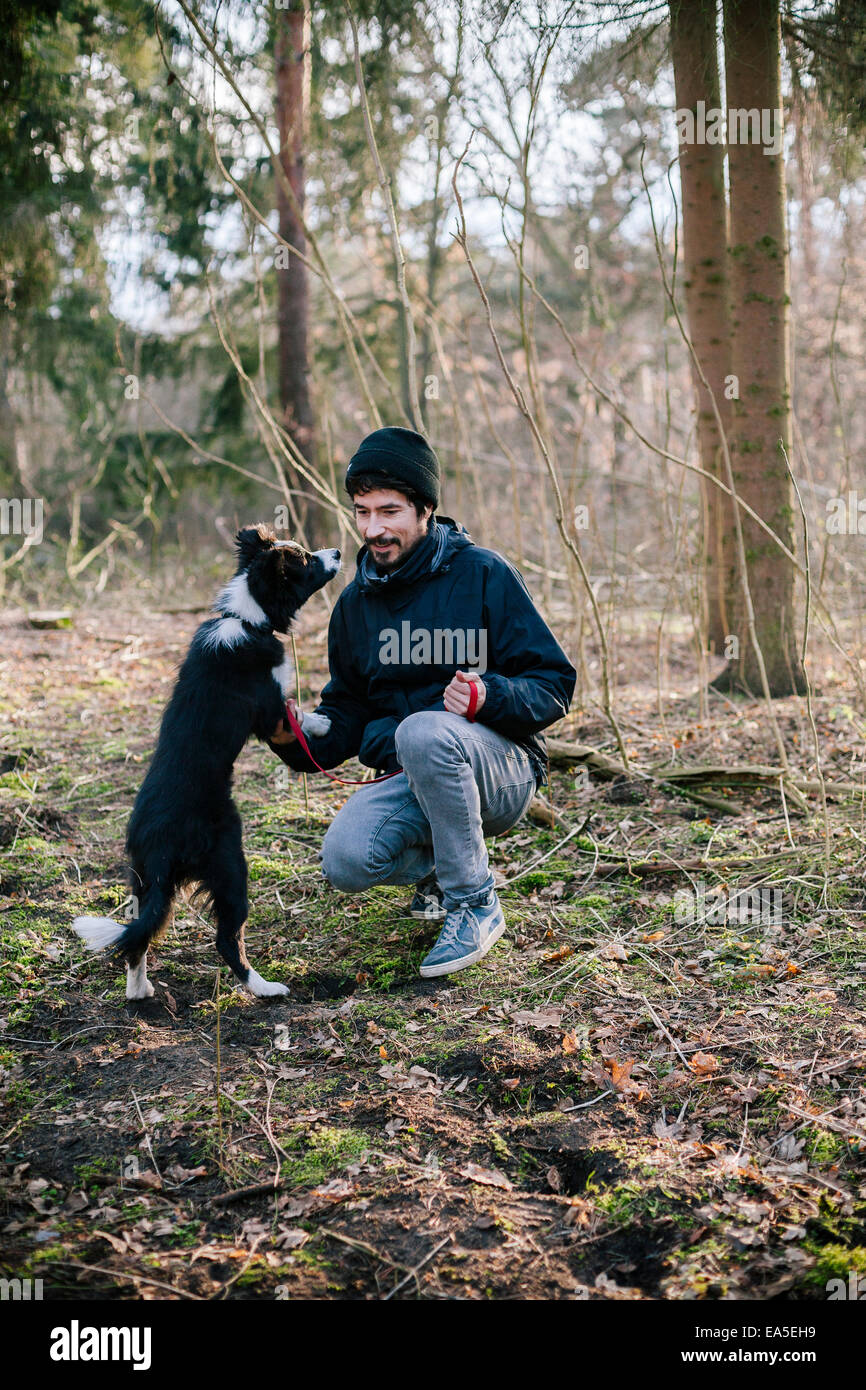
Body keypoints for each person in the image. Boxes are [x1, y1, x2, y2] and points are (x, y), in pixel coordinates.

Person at [269, 426, 576, 978]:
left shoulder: (483, 574)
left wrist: (488, 696)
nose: (374, 529)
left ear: (425, 508)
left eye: (389, 511)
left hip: (502, 771)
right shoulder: (355, 606)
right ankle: (443, 866)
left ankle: (474, 901)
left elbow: (554, 684)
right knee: (345, 861)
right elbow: (348, 710)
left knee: (422, 730)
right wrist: (291, 734)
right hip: (411, 771)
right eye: (363, 512)